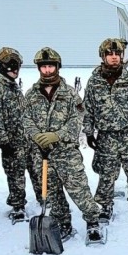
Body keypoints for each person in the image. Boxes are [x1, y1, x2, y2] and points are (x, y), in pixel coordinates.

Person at [22, 47, 104, 243]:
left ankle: (93, 222)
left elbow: (76, 120)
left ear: (57, 67)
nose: (47, 70)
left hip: (66, 153)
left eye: (50, 66)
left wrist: (56, 135)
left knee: (79, 190)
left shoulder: (69, 94)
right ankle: (63, 222)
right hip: (42, 154)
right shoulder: (31, 94)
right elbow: (25, 119)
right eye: (44, 67)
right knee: (53, 193)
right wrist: (36, 136)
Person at [82, 38, 128, 221]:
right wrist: (88, 132)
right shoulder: (94, 81)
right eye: (109, 54)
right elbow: (88, 109)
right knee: (107, 173)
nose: (114, 57)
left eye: (117, 54)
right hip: (106, 136)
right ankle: (105, 205)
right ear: (103, 56)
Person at [0, 46, 37, 222]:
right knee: (15, 176)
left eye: (16, 66)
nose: (14, 70)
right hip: (11, 144)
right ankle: (18, 206)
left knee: (35, 171)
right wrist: (4, 142)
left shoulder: (13, 87)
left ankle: (44, 199)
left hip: (26, 140)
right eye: (9, 66)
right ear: (1, 66)